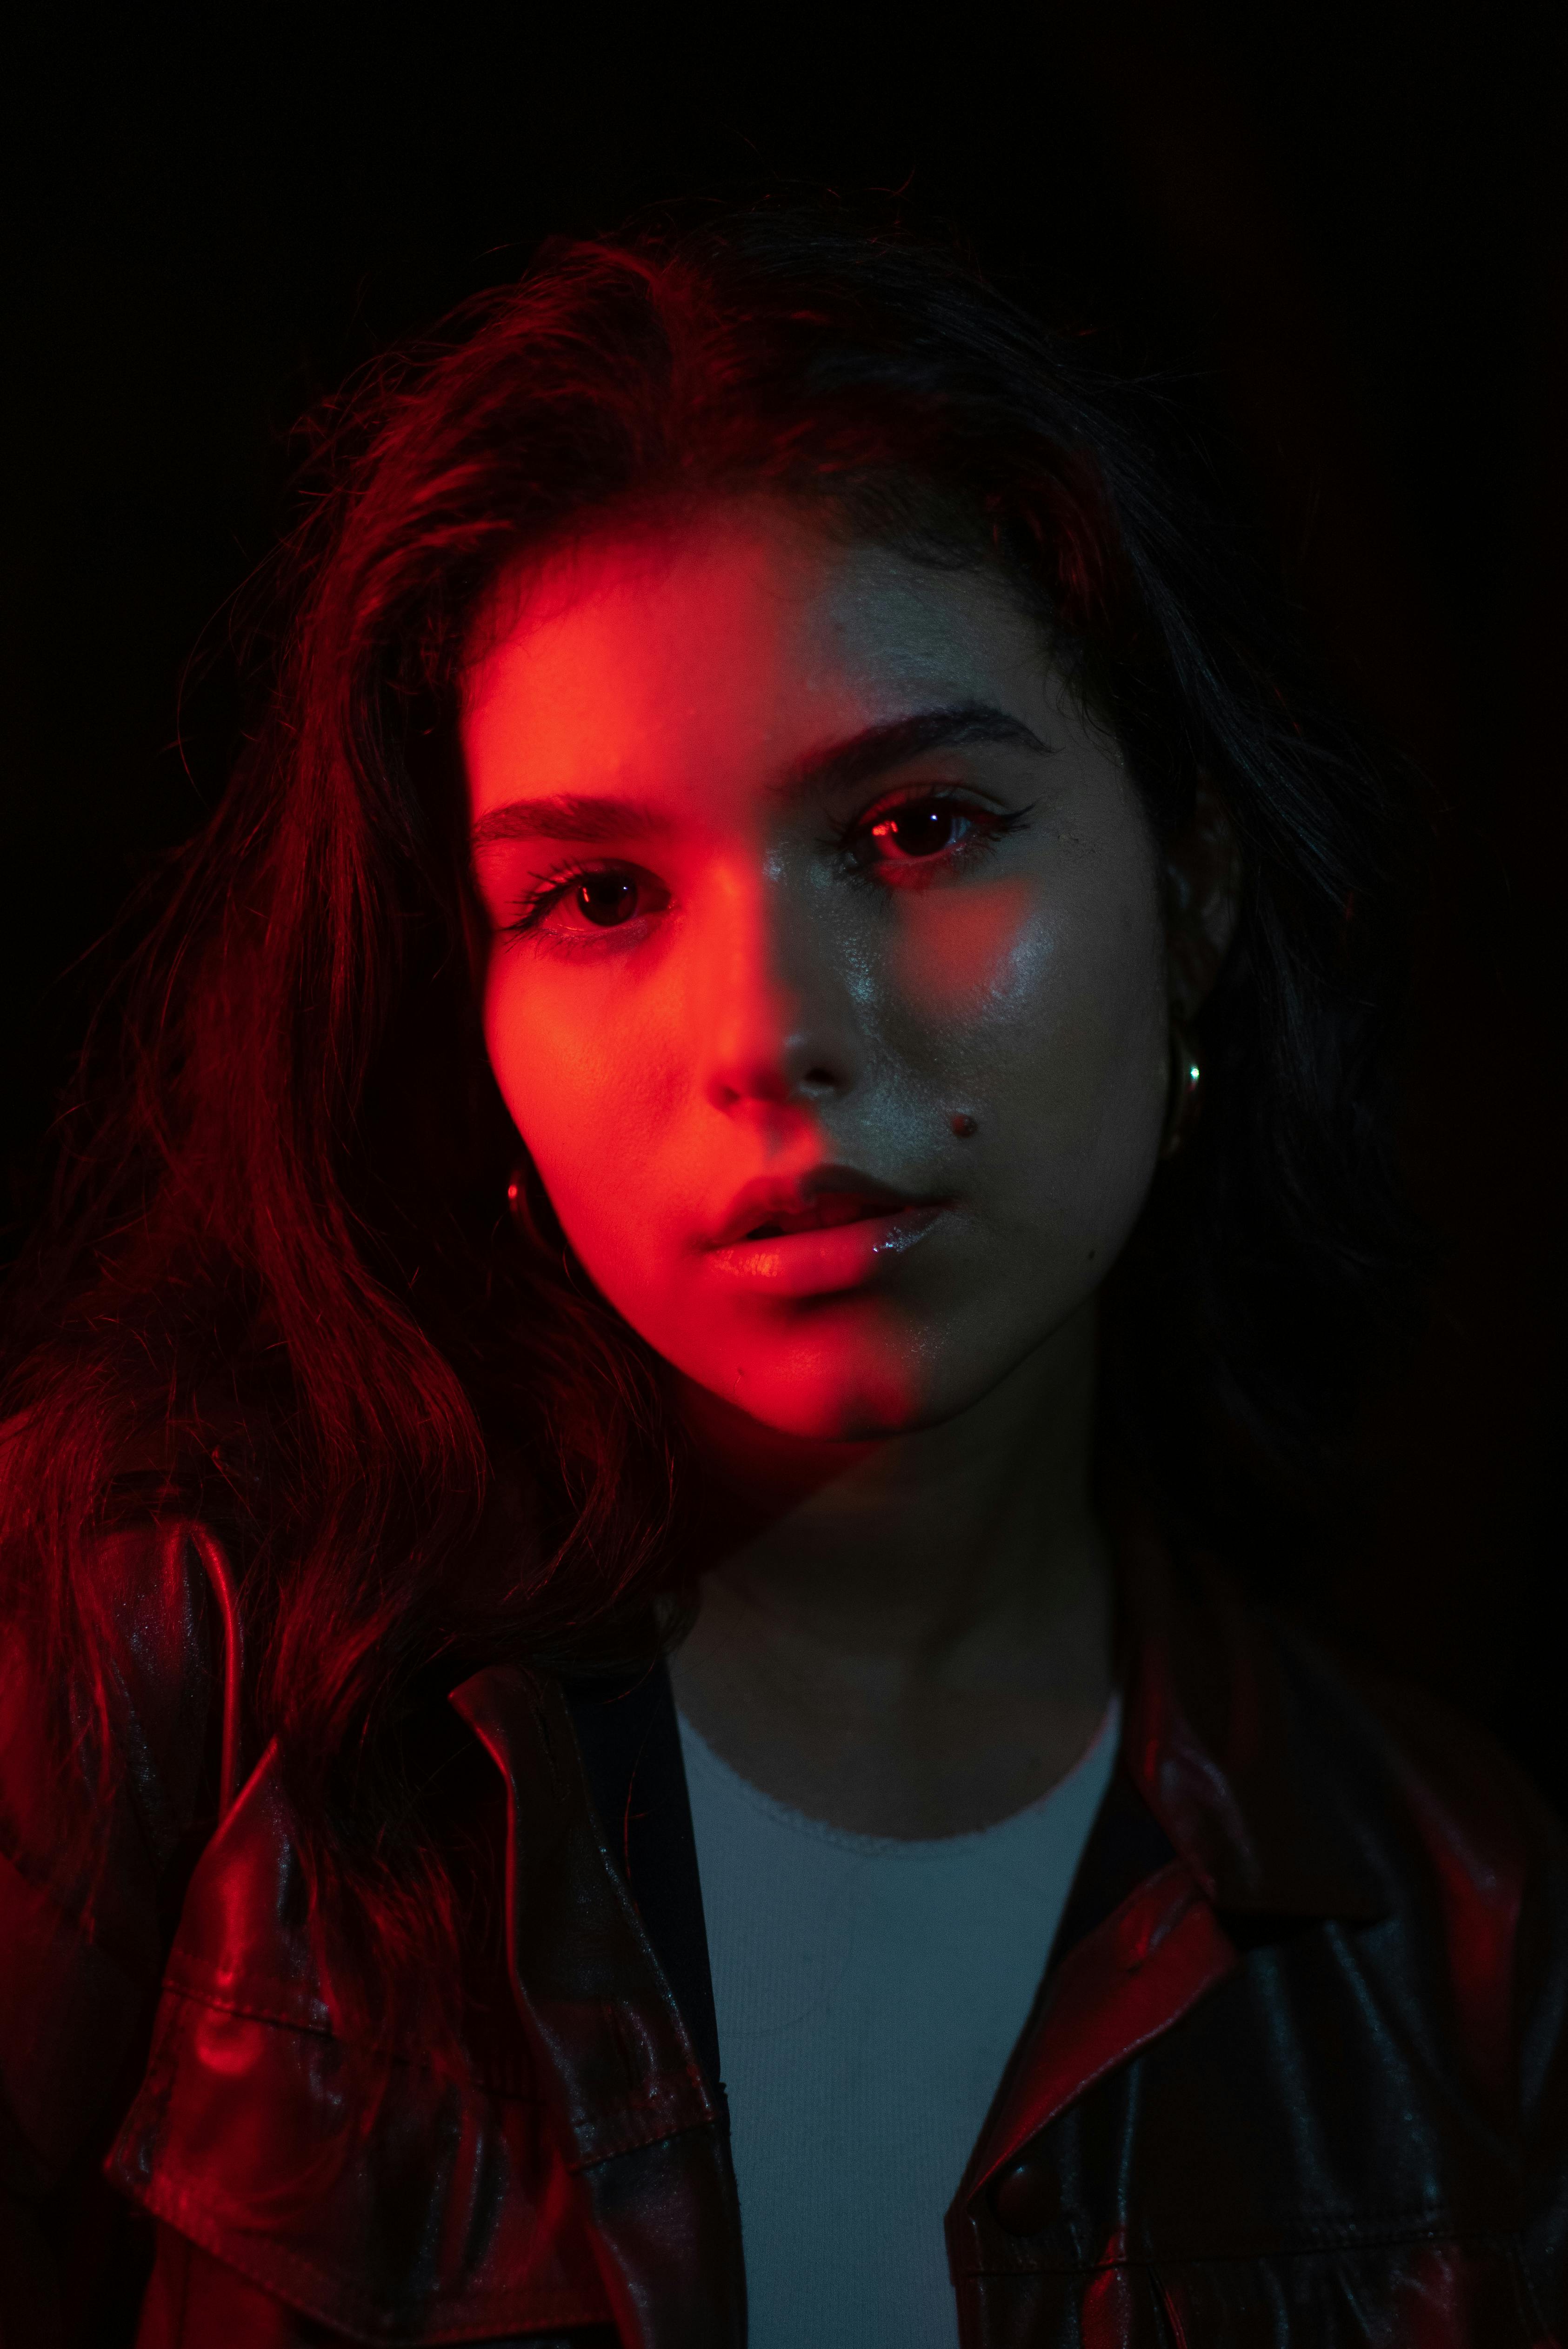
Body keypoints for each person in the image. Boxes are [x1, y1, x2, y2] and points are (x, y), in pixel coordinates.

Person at [1, 206, 1563, 2349]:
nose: (767, 1031)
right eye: (598, 893)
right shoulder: (134, 1643)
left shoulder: (1463, 1935)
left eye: (916, 829)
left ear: (1193, 890)